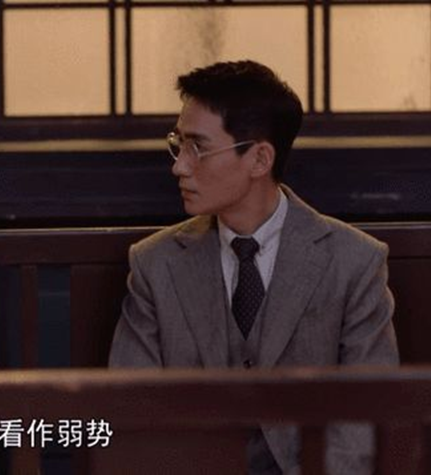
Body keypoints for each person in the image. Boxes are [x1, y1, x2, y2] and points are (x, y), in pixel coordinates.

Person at [108, 60, 399, 474]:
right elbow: (131, 409)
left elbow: (365, 414)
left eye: (198, 148)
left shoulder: (353, 262)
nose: (179, 166)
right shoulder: (156, 264)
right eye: (178, 144)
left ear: (260, 159)